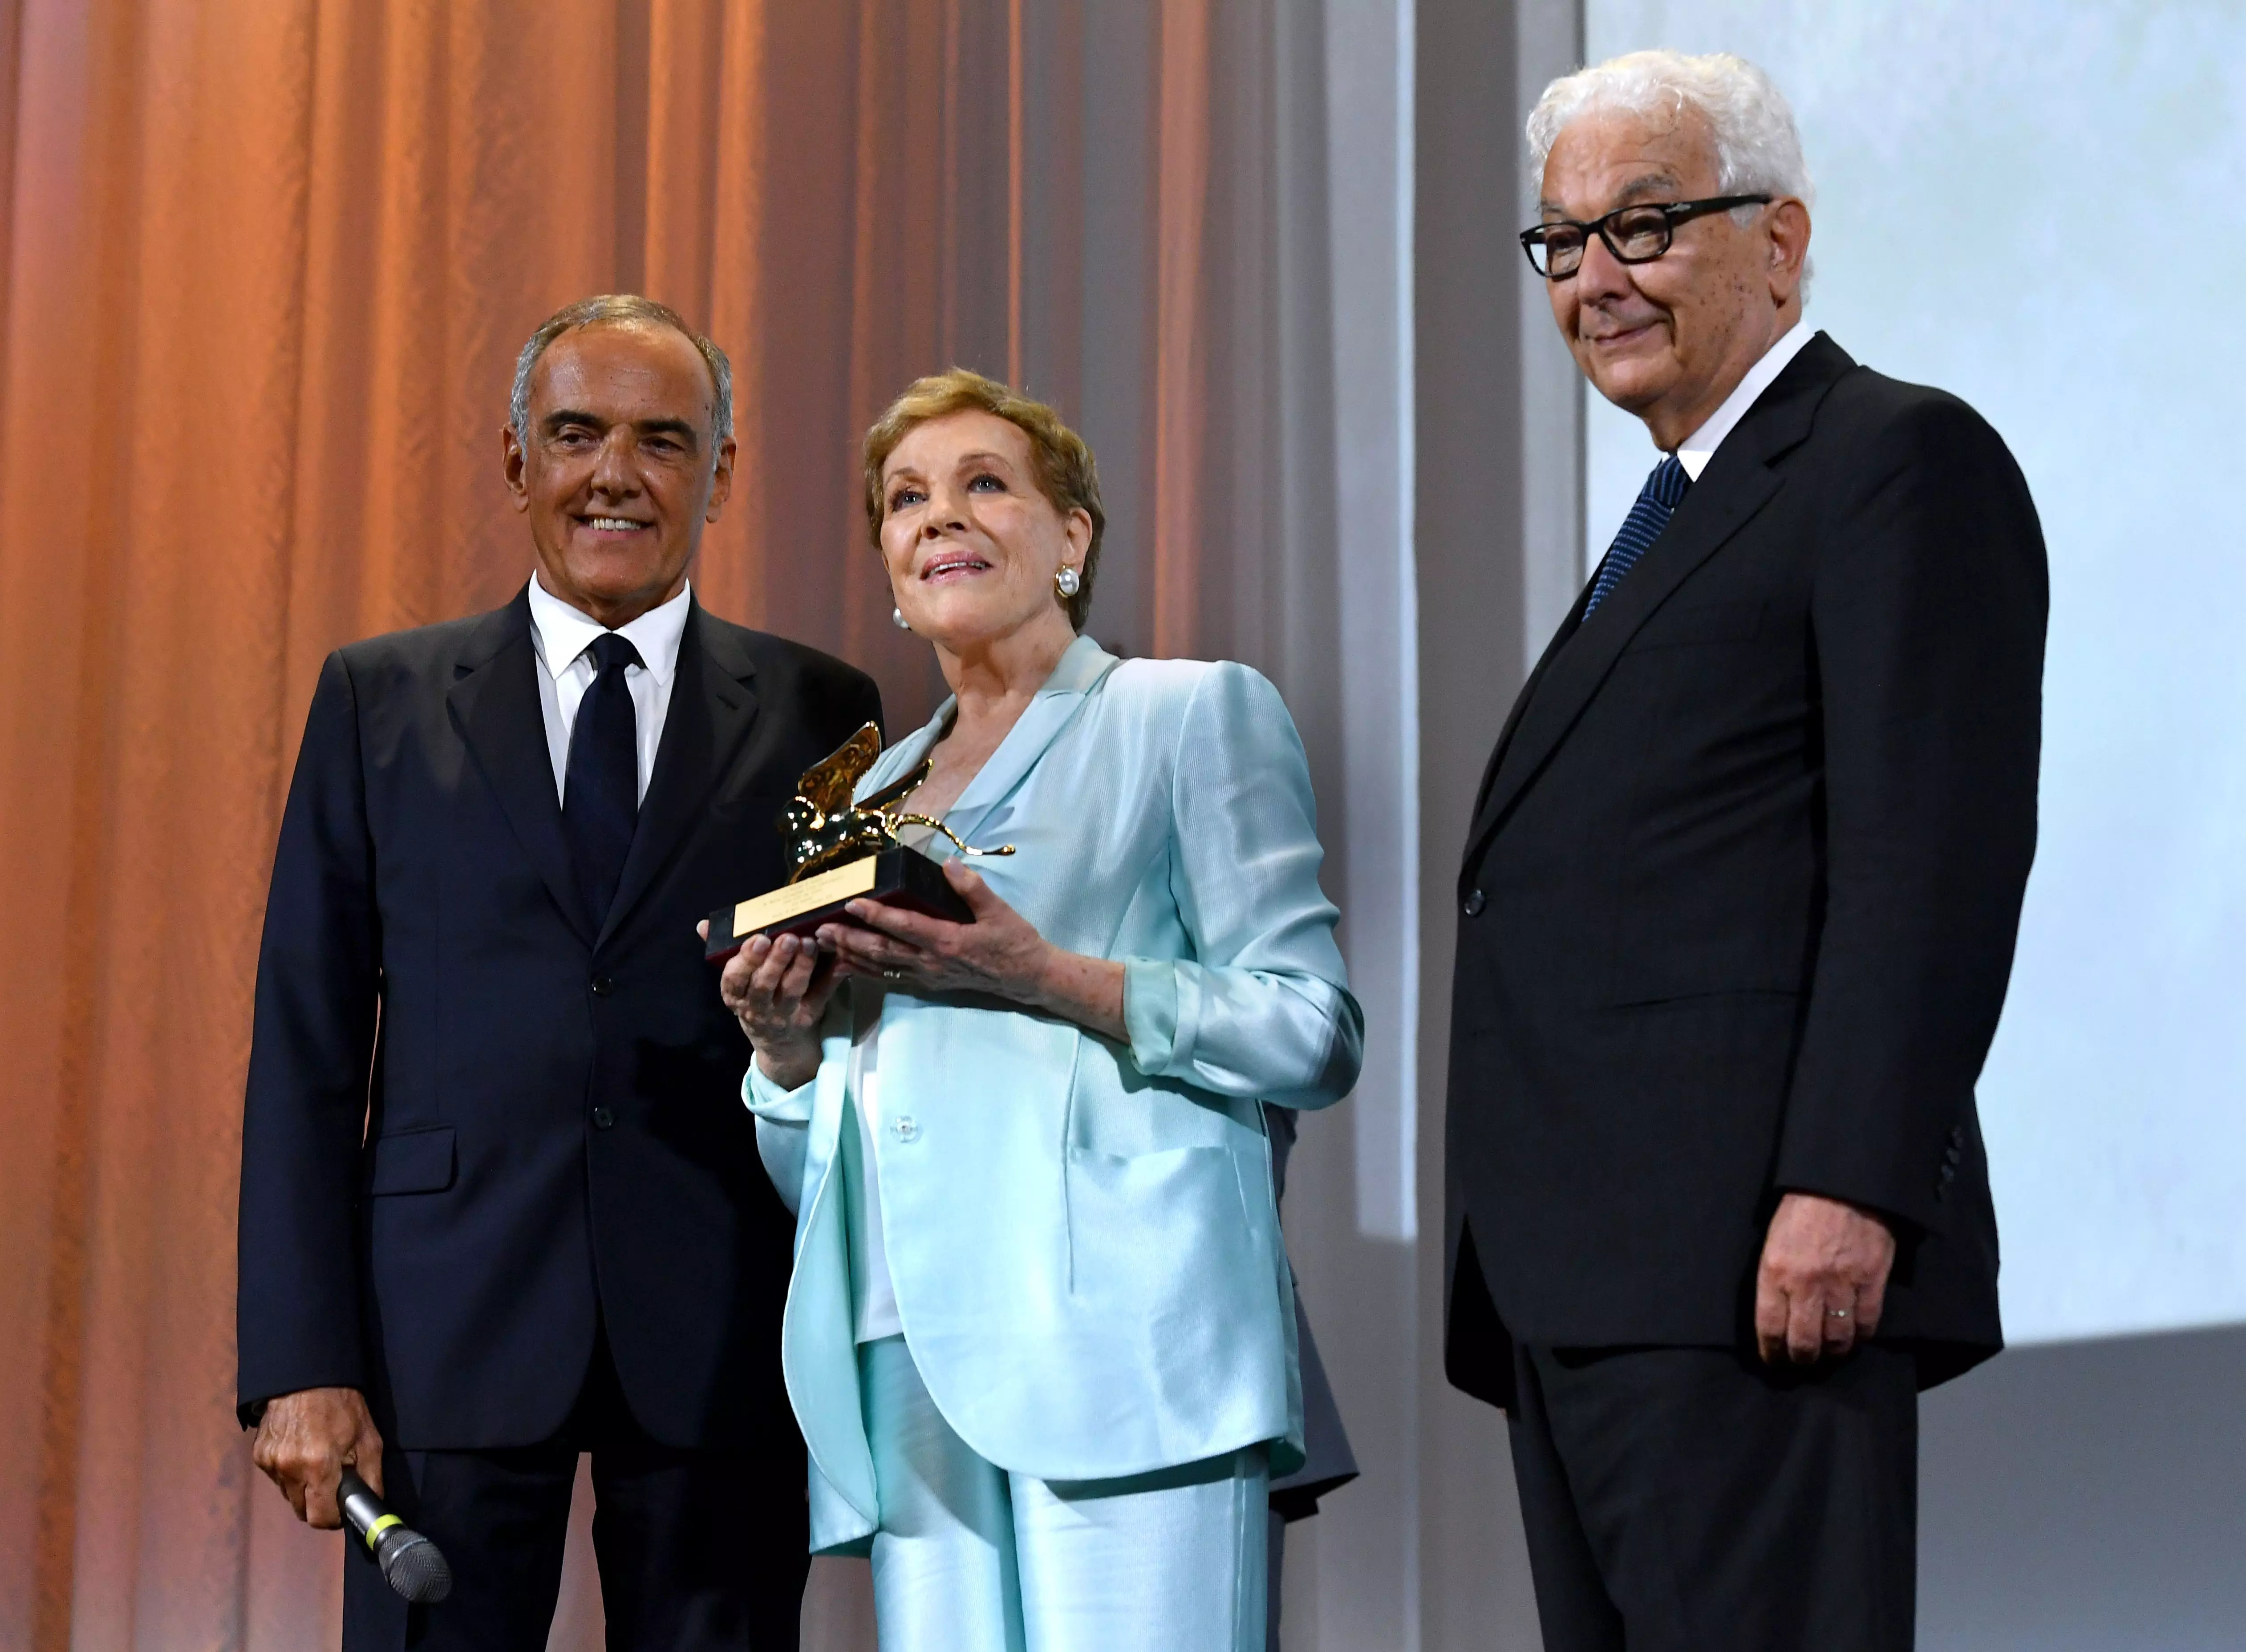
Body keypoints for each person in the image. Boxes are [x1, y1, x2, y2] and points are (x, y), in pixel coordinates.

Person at [1443, 51, 2046, 1652]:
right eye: (1561, 243)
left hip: (1745, 1274)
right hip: (1587, 1286)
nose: (1593, 279)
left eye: (1641, 225)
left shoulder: (1888, 461)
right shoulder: (1678, 509)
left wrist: (1846, 1184)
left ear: (1779, 243)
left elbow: (1932, 863)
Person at [237, 294, 883, 1650]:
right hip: (444, 1324)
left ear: (719, 471)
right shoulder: (378, 698)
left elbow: (862, 1036)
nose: (616, 474)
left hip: (726, 1329)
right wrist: (302, 1363)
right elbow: (304, 1047)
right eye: (576, 432)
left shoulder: (825, 710)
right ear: (515, 457)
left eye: (663, 441)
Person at [719, 368, 1362, 1652]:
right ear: (890, 567)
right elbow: (831, 1159)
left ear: (1070, 537)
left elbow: (1308, 1029)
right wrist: (787, 1058)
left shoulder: (1184, 715)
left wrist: (1050, 978)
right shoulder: (863, 800)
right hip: (906, 1347)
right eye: (904, 500)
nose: (937, 517)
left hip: (1128, 1334)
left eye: (983, 485)